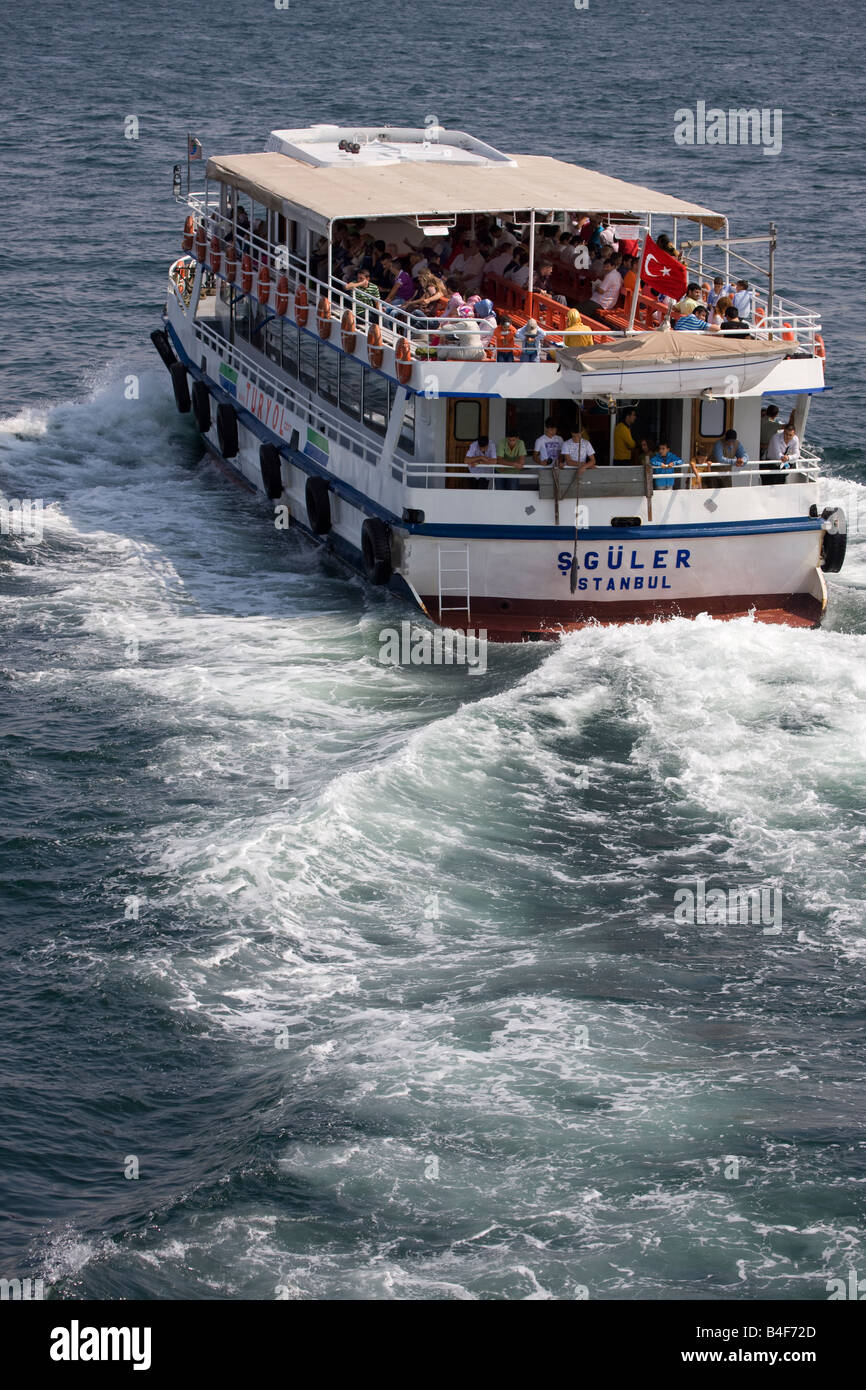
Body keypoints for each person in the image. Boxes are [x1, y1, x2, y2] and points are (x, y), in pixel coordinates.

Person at [577, 254, 623, 318]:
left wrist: (595, 286)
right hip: (605, 303)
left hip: (601, 303)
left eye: (607, 267)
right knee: (581, 306)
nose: (605, 269)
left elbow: (601, 290)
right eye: (604, 267)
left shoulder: (610, 276)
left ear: (613, 266)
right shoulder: (617, 275)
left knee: (577, 311)